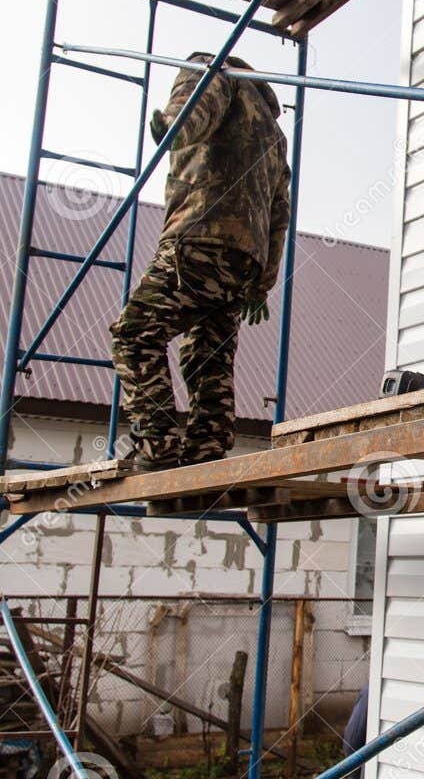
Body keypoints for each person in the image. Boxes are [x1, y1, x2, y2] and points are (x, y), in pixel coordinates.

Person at [110, 53, 291, 470]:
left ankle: (157, 443)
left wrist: (173, 127)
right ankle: (207, 444)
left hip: (198, 239)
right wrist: (261, 283)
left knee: (134, 336)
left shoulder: (212, 69)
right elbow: (281, 212)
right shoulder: (275, 134)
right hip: (243, 261)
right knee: (208, 354)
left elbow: (196, 106)